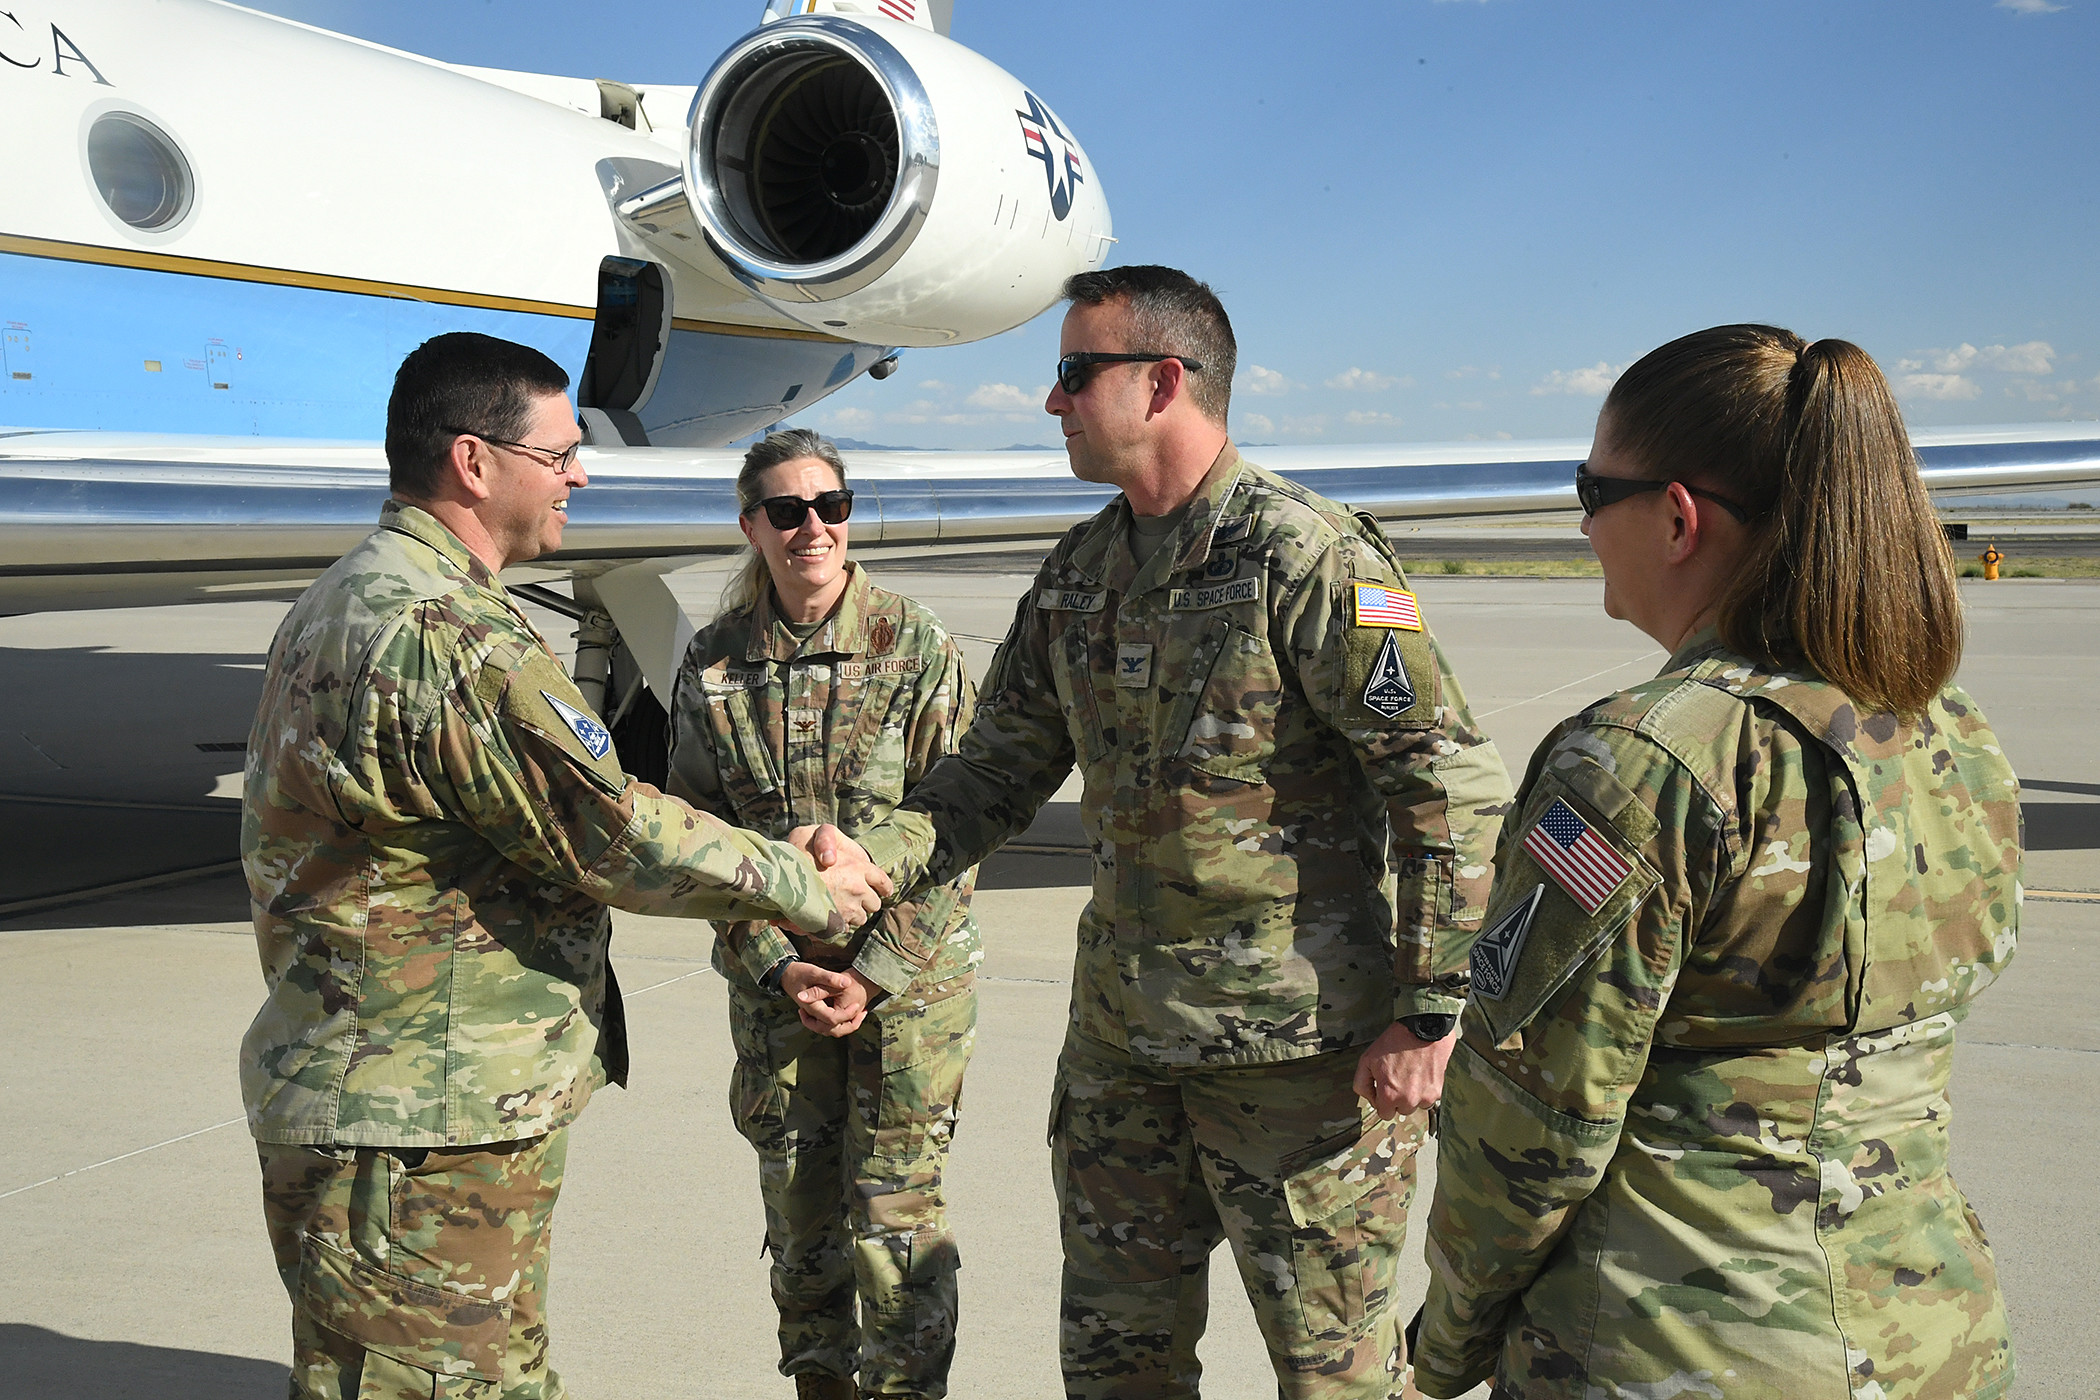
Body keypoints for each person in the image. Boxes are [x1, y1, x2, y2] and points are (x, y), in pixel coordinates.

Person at [805, 266, 1512, 1398]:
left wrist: (1431, 1006)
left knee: (1335, 1375)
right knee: (1115, 1366)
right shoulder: (1081, 572)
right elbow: (993, 772)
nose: (1053, 402)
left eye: (1075, 374)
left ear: (1164, 381)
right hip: (1124, 1057)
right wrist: (871, 856)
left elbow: (1445, 788)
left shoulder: (1309, 558)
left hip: (1300, 1063)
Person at [238, 333, 891, 1400]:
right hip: (420, 1128)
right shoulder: (449, 638)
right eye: (561, 452)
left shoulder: (355, 594)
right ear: (474, 461)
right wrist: (800, 875)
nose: (580, 474)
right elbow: (612, 835)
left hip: (394, 1105)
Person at [1409, 325, 2021, 1399]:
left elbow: (1529, 1126)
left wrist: (1445, 1340)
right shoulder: (1949, 729)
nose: (1587, 524)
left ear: (1680, 516)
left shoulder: (1643, 765)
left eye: (1592, 488)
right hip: (1933, 1339)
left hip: (1677, 1353)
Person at [664, 429, 981, 1400]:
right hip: (780, 1000)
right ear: (751, 523)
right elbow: (696, 842)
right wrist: (776, 960)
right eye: (789, 510)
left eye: (830, 506)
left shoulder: (915, 647)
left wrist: (872, 970)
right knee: (803, 1234)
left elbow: (957, 828)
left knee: (896, 1233)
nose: (814, 528)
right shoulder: (716, 669)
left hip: (909, 996)